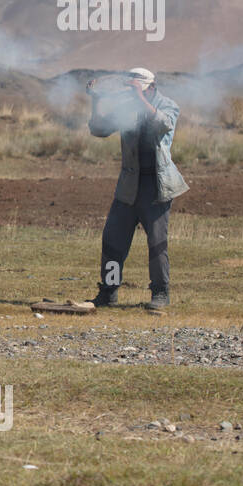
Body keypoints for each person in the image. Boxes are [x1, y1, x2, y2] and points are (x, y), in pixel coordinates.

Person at [88, 67, 189, 310]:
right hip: (129, 185)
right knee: (113, 240)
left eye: (140, 90)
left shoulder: (168, 105)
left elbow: (163, 125)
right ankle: (109, 291)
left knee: (157, 242)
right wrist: (97, 100)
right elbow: (98, 129)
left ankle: (160, 294)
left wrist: (139, 97)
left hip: (156, 185)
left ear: (151, 88)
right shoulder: (128, 106)